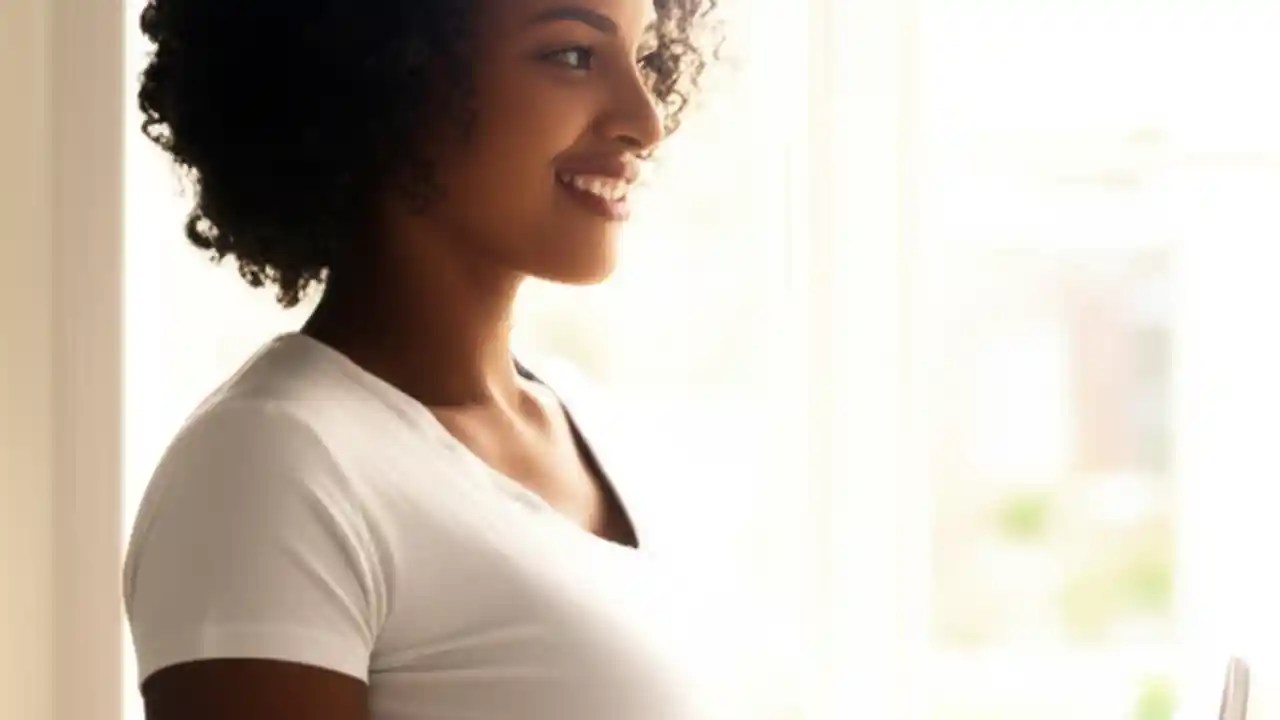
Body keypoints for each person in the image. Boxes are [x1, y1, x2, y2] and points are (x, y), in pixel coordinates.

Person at [120, 1, 736, 719]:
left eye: (643, 57)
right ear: (390, 79)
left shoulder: (600, 428)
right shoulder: (266, 470)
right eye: (573, 56)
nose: (645, 120)